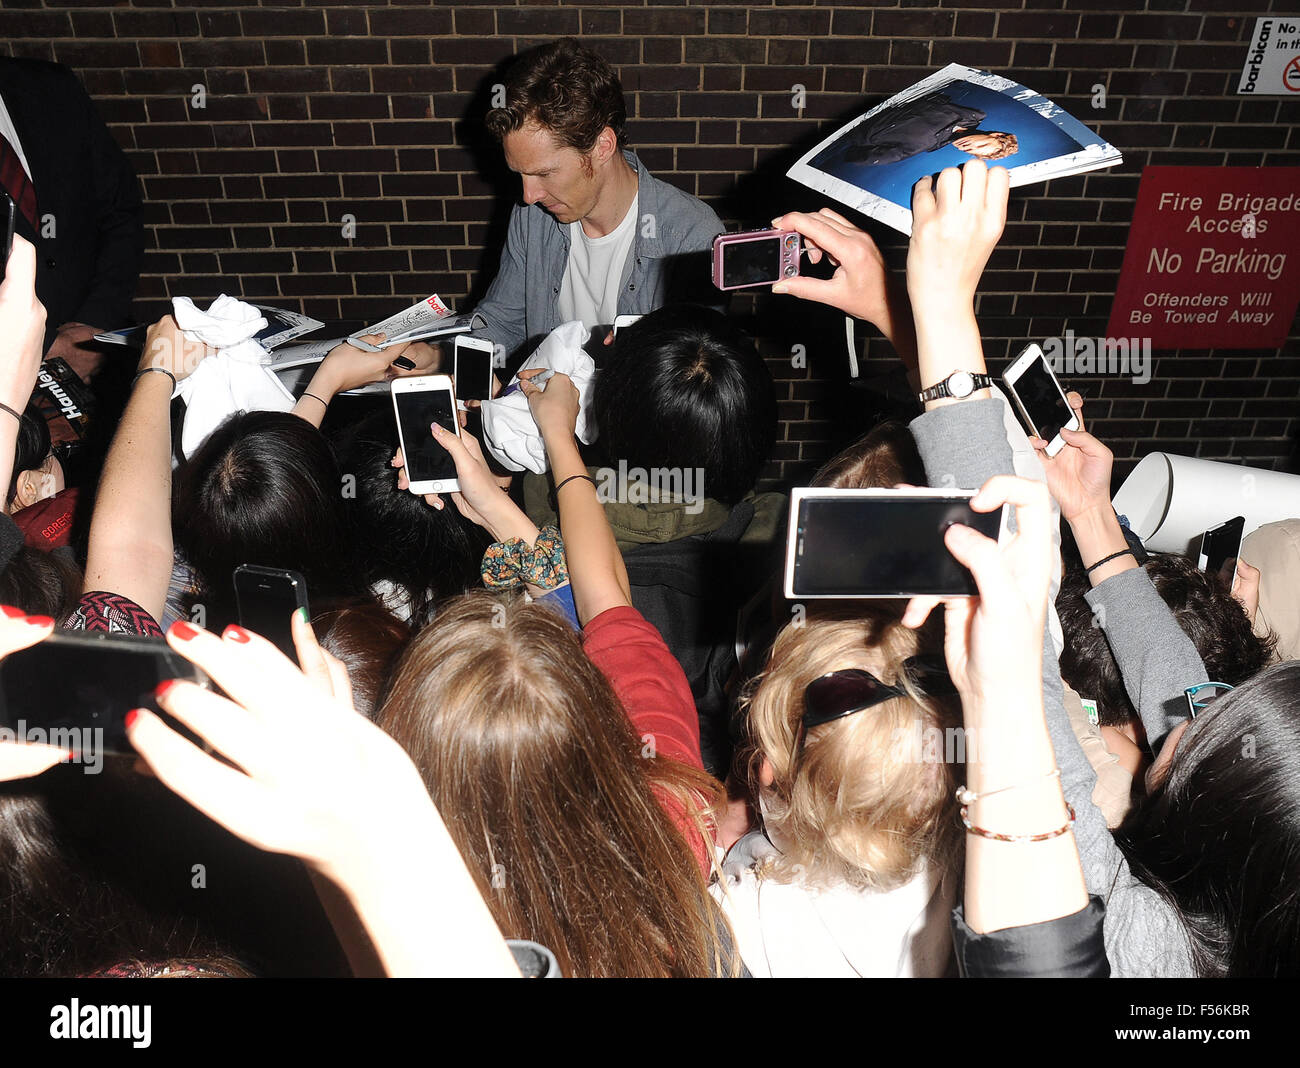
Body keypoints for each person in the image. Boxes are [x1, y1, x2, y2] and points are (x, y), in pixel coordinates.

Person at [383, 373, 738, 977]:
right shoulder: (672, 808)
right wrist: (553, 439)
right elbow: (606, 601)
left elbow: (597, 602)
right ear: (597, 708)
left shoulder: (416, 925)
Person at [468, 38, 723, 361]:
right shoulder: (532, 214)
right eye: (521, 174)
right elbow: (504, 322)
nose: (528, 196)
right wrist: (441, 356)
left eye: (544, 174)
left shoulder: (692, 235)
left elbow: (694, 379)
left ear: (602, 146)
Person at [0, 58, 145, 381]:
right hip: (10, 372)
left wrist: (92, 330)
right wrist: (48, 346)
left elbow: (121, 210)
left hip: (105, 349)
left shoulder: (50, 86)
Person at [813, 89, 1018, 170]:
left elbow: (879, 156)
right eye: (980, 145)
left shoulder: (930, 145)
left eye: (972, 152)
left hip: (846, 131)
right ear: (996, 134)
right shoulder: (965, 114)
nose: (968, 147)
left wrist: (853, 152)